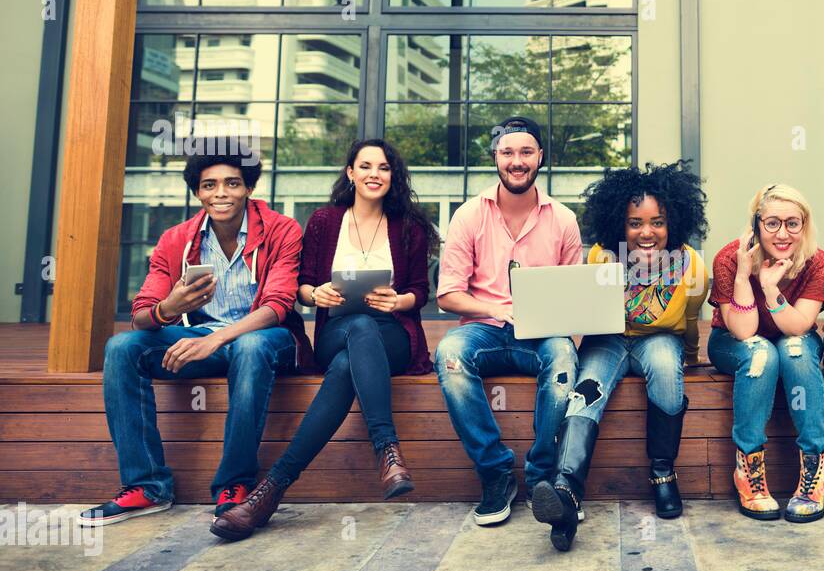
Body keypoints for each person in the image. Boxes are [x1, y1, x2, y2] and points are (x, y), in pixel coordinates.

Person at [212, 140, 438, 541]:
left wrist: (397, 299)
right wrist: (315, 295)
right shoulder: (323, 221)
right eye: (365, 166)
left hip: (394, 335)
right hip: (335, 329)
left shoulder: (410, 227)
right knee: (356, 332)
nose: (374, 174)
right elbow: (302, 285)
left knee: (350, 357)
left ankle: (270, 490)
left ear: (393, 176)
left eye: (383, 167)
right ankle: (387, 451)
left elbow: (421, 291)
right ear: (350, 173)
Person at [78, 139, 309, 527]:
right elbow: (141, 316)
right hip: (200, 337)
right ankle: (147, 486)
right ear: (198, 192)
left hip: (269, 339)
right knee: (122, 347)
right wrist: (171, 308)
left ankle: (234, 484)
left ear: (249, 188)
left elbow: (278, 305)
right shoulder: (176, 239)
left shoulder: (282, 230)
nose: (221, 193)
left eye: (232, 183)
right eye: (209, 185)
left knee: (249, 346)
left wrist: (215, 339)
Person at [531, 161, 710, 551]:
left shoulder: (692, 267)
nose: (647, 232)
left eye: (658, 222)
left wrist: (692, 359)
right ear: (619, 224)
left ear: (673, 222)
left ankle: (663, 474)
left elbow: (691, 319)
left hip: (660, 339)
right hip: (607, 340)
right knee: (585, 391)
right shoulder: (599, 256)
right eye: (634, 223)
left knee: (665, 369)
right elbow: (587, 313)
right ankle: (565, 490)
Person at [434, 116, 582, 526]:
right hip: (486, 330)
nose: (517, 161)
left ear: (540, 157)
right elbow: (447, 295)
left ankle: (542, 478)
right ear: (496, 158)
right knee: (449, 353)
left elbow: (576, 296)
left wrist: (570, 342)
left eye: (526, 152)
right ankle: (496, 473)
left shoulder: (564, 219)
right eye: (508, 153)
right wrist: (494, 310)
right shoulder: (468, 216)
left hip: (541, 334)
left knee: (565, 357)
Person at [707, 184, 824, 523]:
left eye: (793, 223)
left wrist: (770, 287)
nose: (782, 233)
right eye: (772, 223)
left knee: (792, 350)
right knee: (762, 353)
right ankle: (748, 470)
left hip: (792, 335)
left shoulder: (818, 261)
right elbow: (744, 331)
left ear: (804, 226)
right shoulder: (728, 258)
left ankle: (814, 468)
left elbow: (798, 326)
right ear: (756, 224)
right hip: (732, 340)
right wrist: (745, 276)